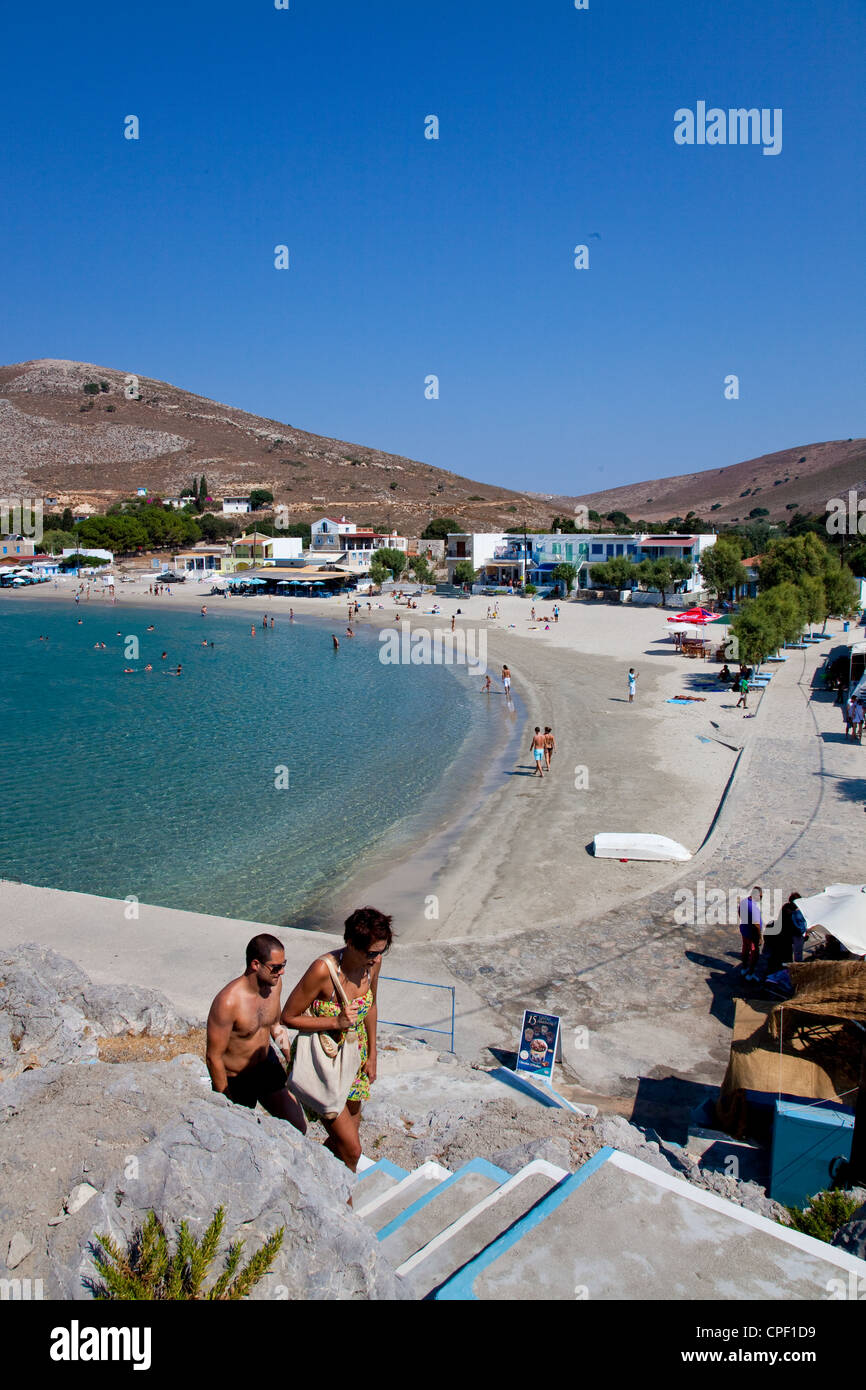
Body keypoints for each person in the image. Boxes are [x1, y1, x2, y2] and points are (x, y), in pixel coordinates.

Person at [279, 907, 392, 1171]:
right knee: (353, 1150)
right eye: (371, 953)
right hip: (325, 1064)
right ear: (351, 943)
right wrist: (335, 1021)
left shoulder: (371, 967)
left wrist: (373, 1054)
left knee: (348, 1137)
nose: (376, 959)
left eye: (381, 952)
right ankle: (345, 1207)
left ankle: (312, 1172)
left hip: (356, 1057)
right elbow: (289, 1016)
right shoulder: (323, 970)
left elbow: (371, 1006)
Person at [206, 934, 306, 1133]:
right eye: (276, 967)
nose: (282, 972)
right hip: (237, 1077)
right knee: (238, 1134)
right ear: (255, 964)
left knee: (298, 1127)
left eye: (284, 965)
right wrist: (225, 1100)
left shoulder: (273, 987)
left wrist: (289, 1056)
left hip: (266, 1066)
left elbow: (275, 1025)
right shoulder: (228, 1002)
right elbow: (213, 1057)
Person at [737, 887, 763, 981]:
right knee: (754, 953)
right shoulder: (753, 908)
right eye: (760, 896)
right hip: (753, 934)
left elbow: (739, 912)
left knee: (745, 949)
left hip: (745, 930)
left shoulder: (744, 902)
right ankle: (750, 973)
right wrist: (760, 937)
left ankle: (744, 968)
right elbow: (756, 925)